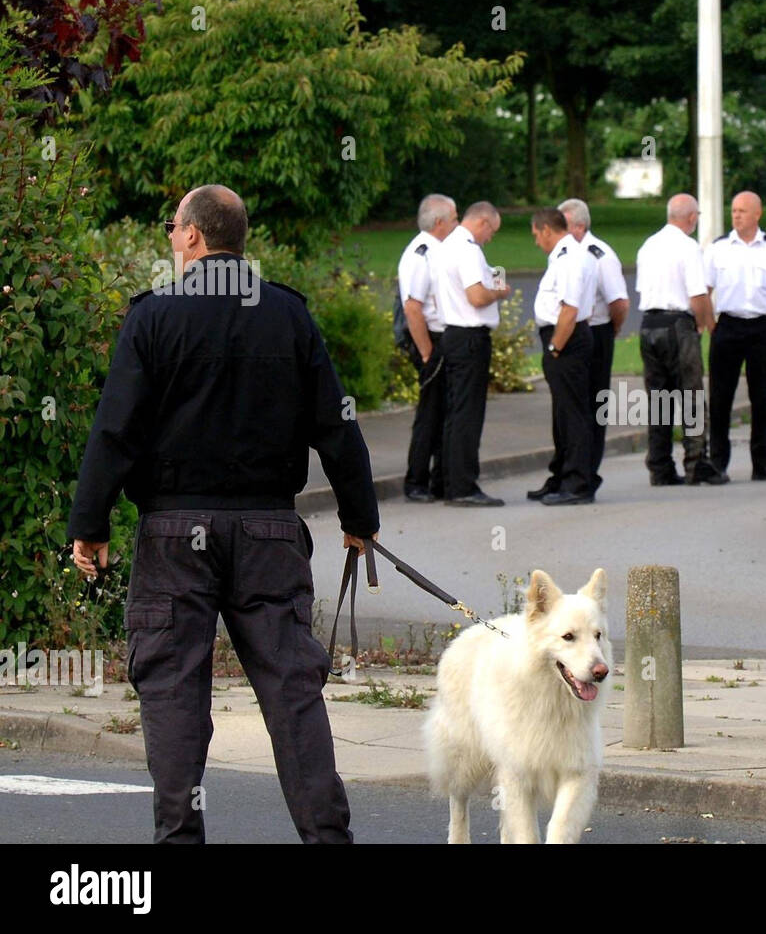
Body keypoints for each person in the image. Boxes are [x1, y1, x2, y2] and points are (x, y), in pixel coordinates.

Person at [68, 185, 380, 843]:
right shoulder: (288, 315)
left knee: (174, 691)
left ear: (192, 236)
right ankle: (328, 837)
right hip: (268, 530)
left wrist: (89, 525)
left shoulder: (153, 317)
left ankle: (180, 837)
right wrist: (360, 517)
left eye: (172, 229)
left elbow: (114, 431)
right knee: (293, 691)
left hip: (174, 535)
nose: (170, 239)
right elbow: (336, 424)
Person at [703, 191, 766, 481]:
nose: (736, 215)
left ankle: (763, 463)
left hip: (762, 328)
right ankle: (718, 462)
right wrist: (711, 323)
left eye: (743, 211)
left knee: (762, 397)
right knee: (721, 397)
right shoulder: (718, 248)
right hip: (728, 326)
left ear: (757, 214)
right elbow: (703, 288)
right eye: (733, 210)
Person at [634, 193, 724, 486]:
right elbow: (698, 295)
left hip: (649, 325)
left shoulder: (648, 245)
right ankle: (696, 463)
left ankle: (659, 466)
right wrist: (702, 325)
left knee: (659, 397)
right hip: (677, 325)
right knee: (691, 396)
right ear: (691, 217)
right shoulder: (688, 247)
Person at [436, 200, 512, 507]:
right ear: (482, 222)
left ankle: (450, 481)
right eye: (491, 231)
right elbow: (477, 295)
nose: (490, 237)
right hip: (470, 337)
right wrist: (500, 291)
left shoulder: (447, 245)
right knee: (468, 413)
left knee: (455, 412)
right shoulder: (468, 249)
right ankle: (463, 486)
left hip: (452, 334)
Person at [527, 207, 599, 505]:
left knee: (573, 414)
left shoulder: (570, 258)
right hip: (563, 339)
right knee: (563, 414)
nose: (535, 242)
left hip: (566, 340)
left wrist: (555, 347)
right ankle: (561, 475)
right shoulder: (563, 255)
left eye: (535, 235)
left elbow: (569, 310)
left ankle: (578, 482)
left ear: (546, 229)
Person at [556, 198, 627, 496]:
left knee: (593, 404)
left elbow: (619, 303)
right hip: (575, 331)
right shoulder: (564, 252)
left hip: (596, 331)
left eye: (563, 224)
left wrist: (610, 331)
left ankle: (587, 474)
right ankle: (565, 471)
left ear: (579, 226)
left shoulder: (600, 255)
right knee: (570, 406)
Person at [400, 193, 457, 502]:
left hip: (439, 338)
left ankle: (438, 477)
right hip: (429, 339)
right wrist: (426, 353)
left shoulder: (437, 250)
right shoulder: (421, 253)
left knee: (442, 410)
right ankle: (416, 480)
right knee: (430, 412)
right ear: (439, 222)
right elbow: (413, 308)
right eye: (454, 218)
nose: (458, 223)